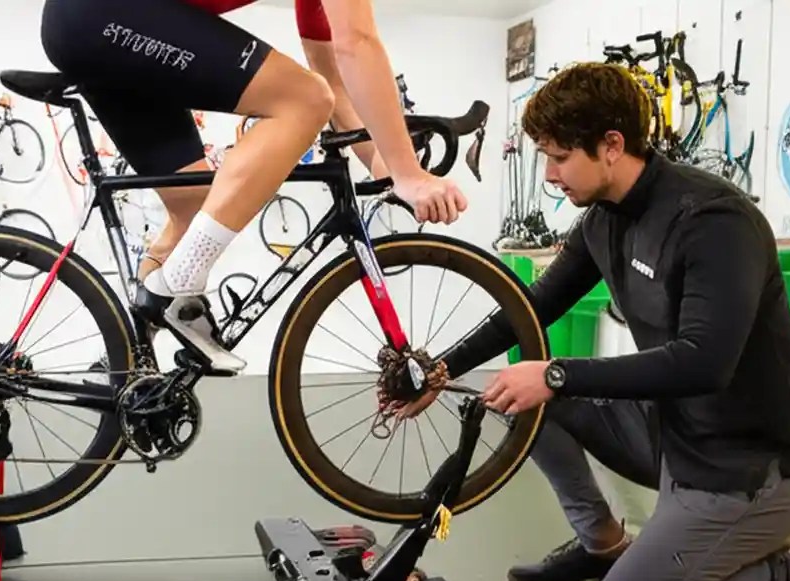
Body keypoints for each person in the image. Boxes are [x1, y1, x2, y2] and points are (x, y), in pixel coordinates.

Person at [402, 62, 790, 581]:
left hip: (749, 463)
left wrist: (557, 373)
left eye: (559, 157)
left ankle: (780, 577)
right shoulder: (603, 221)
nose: (550, 175)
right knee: (520, 396)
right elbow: (530, 306)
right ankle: (602, 545)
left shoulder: (714, 222)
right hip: (676, 437)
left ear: (611, 145)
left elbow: (704, 363)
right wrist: (437, 370)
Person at [38, 0, 468, 373]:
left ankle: (128, 364)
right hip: (104, 15)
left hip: (99, 27)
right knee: (304, 98)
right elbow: (355, 44)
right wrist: (410, 173)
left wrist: (386, 165)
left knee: (196, 206)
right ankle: (177, 286)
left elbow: (335, 75)